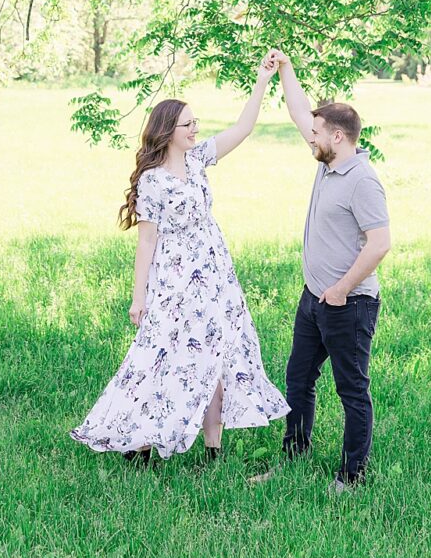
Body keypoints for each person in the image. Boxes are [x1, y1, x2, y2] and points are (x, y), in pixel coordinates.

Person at [71, 55, 291, 465]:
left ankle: (213, 451)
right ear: (168, 132)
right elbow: (146, 244)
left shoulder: (198, 159)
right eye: (188, 124)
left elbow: (243, 128)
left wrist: (263, 80)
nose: (196, 129)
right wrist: (140, 299)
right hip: (175, 282)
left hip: (215, 276)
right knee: (164, 359)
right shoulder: (153, 181)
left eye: (195, 123)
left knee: (218, 357)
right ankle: (139, 443)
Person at [250, 49, 390, 494]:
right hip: (314, 298)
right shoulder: (328, 163)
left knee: (351, 390)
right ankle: (293, 457)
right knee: (298, 378)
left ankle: (352, 476)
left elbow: (380, 243)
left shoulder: (362, 179)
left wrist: (342, 289)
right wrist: (285, 70)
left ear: (339, 136)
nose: (309, 139)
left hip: (349, 303)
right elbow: (298, 112)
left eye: (316, 134)